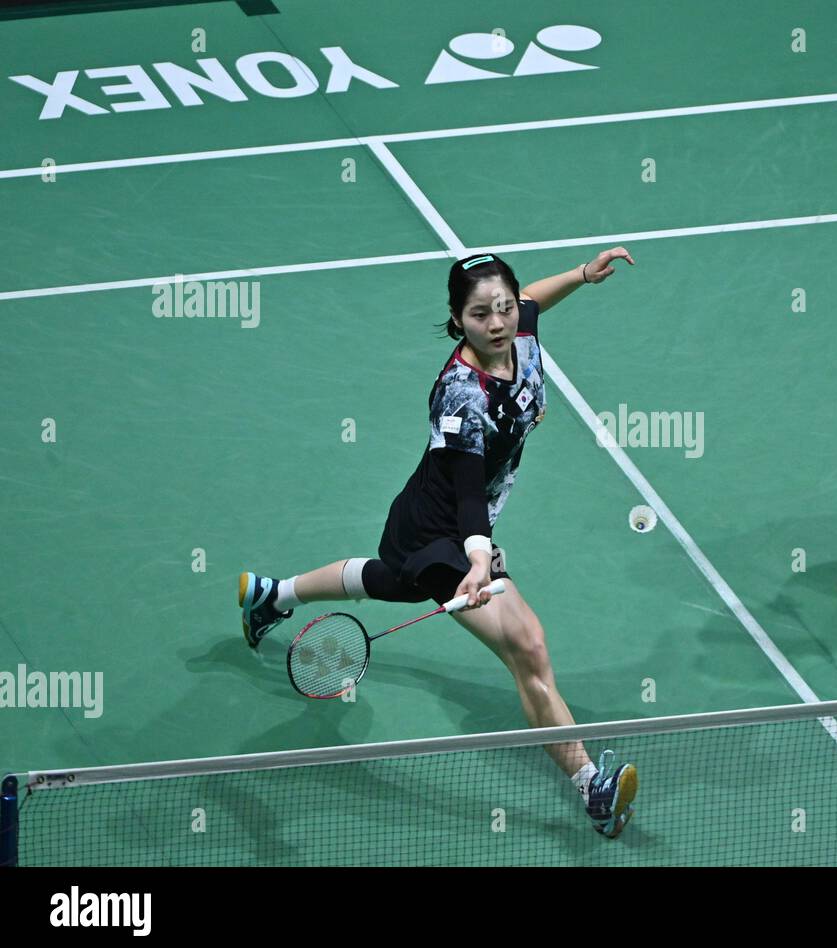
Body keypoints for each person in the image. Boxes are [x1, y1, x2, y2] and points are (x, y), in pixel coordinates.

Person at [238, 248, 641, 838]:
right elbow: (467, 487)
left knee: (387, 580)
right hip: (439, 532)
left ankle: (273, 596)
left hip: (425, 521)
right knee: (526, 643)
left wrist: (582, 276)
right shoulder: (460, 393)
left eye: (503, 307)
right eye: (481, 314)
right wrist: (478, 556)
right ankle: (592, 788)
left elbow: (533, 302)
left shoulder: (517, 333)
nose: (499, 322)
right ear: (458, 320)